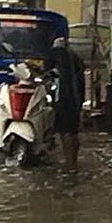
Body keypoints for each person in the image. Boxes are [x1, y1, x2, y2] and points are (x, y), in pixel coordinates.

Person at [46, 37, 85, 170]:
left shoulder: (56, 56)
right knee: (73, 131)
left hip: (63, 99)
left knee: (65, 131)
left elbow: (47, 72)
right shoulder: (75, 58)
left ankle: (70, 163)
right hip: (76, 99)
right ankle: (73, 162)